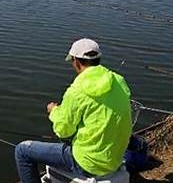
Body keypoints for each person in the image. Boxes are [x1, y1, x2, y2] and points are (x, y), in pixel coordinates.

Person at [15, 38, 132, 183]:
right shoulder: (119, 81)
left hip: (89, 163)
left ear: (76, 61)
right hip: (115, 158)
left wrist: (54, 112)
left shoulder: (76, 91)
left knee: (22, 151)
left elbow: (63, 131)